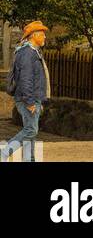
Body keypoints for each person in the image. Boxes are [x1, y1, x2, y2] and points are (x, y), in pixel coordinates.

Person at [2, 21, 50, 163]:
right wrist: (30, 101)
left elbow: (33, 79)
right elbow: (25, 79)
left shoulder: (31, 51)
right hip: (27, 98)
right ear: (34, 35)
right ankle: (4, 152)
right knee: (30, 130)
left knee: (30, 132)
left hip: (33, 98)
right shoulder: (28, 53)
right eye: (42, 34)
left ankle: (29, 160)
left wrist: (39, 100)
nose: (45, 37)